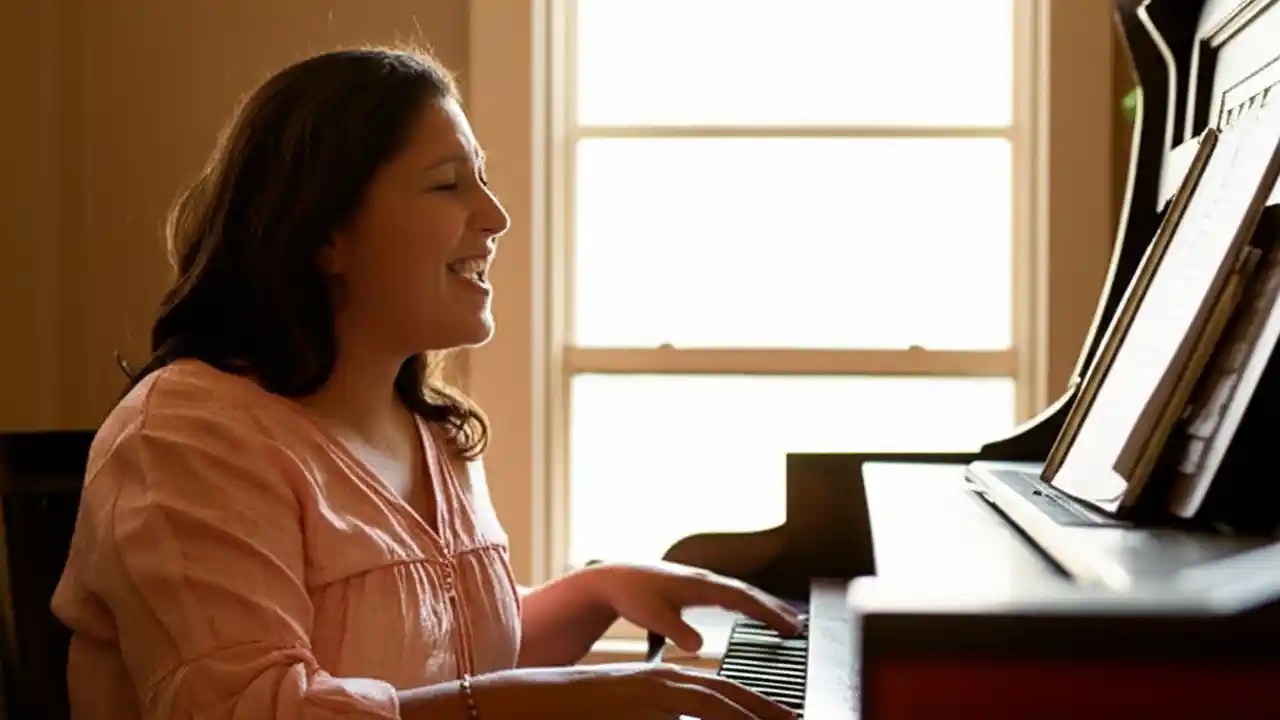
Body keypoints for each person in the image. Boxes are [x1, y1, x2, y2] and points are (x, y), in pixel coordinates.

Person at [50, 46, 804, 719]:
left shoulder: (429, 426)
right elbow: (253, 707)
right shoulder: (188, 435)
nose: (497, 216)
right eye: (449, 186)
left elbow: (449, 672)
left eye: (484, 181)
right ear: (322, 235)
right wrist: (582, 700)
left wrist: (596, 592)